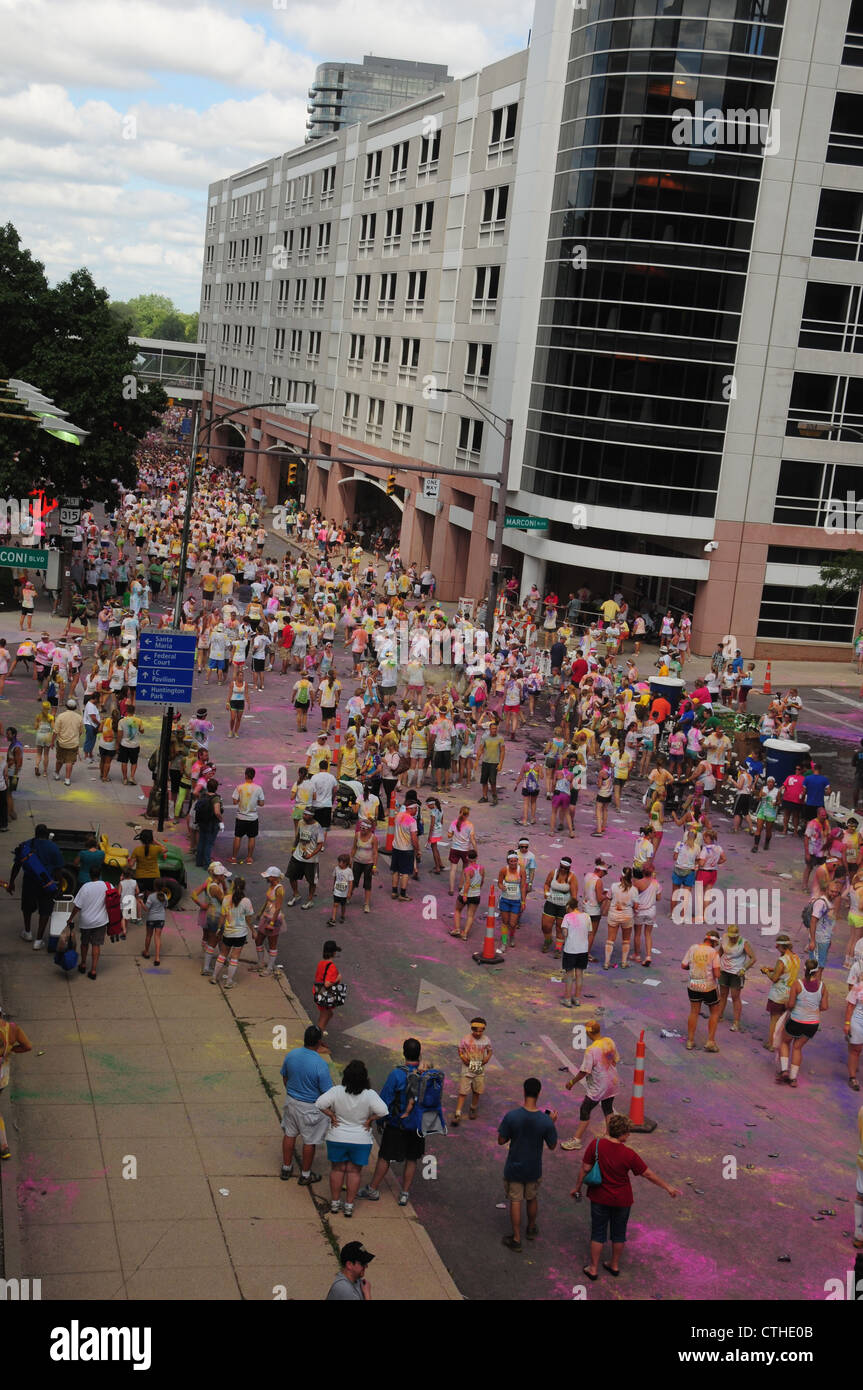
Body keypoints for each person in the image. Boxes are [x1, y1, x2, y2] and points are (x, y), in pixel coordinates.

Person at [571, 1112, 679, 1280]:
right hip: (622, 1200)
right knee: (619, 1233)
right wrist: (668, 1187)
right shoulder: (629, 1154)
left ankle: (593, 1268)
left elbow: (585, 1168)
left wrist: (577, 1188)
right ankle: (614, 1265)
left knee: (598, 1233)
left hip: (599, 1197)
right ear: (622, 1134)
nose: (629, 1135)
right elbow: (648, 1174)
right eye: (628, 1132)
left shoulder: (596, 1145)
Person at [359, 1037, 429, 1208]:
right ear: (419, 1054)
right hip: (418, 1125)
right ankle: (404, 1193)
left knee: (385, 1157)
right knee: (411, 1159)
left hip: (397, 1124)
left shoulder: (397, 1074)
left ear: (404, 1053)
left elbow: (385, 1100)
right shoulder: (426, 1075)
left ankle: (373, 1189)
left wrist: (380, 1120)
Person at [316, 1060, 389, 1217]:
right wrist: (370, 1120)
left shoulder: (336, 1091)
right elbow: (383, 1111)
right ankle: (349, 1205)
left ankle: (335, 1203)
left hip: (337, 1136)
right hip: (361, 1140)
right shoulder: (369, 1095)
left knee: (337, 1169)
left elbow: (320, 1103)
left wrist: (332, 1115)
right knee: (354, 1172)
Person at [497, 1077, 558, 1252]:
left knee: (515, 1200)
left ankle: (516, 1238)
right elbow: (553, 1145)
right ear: (538, 1094)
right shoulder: (545, 1121)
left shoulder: (512, 1116)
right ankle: (531, 1228)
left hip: (514, 1166)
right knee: (531, 1197)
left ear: (524, 1092)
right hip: (534, 1167)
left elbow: (501, 1140)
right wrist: (552, 1123)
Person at [280, 1024, 331, 1184]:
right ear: (319, 1042)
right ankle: (306, 1175)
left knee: (289, 1134)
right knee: (310, 1141)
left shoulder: (292, 1055)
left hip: (291, 1102)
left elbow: (285, 1076)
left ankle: (286, 1168)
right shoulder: (320, 1064)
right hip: (310, 1108)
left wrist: (291, 1091)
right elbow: (327, 1092)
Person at [561, 1020, 620, 1150]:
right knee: (607, 1108)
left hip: (599, 1086)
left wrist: (571, 1082)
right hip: (613, 1082)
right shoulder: (609, 1041)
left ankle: (576, 1140)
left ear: (588, 1033)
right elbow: (615, 1060)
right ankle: (609, 1136)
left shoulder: (591, 1050)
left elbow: (584, 1071)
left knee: (585, 1109)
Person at [8, 823, 64, 948]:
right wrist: (60, 886)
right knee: (45, 911)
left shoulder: (26, 845)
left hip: (30, 882)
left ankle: (27, 932)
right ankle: (38, 940)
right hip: (47, 883)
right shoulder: (54, 847)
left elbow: (17, 865)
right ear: (47, 834)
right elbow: (58, 870)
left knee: (27, 907)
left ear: (35, 833)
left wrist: (12, 882)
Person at [776, 958, 828, 1087]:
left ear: (804, 970)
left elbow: (791, 1004)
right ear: (816, 973)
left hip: (796, 1021)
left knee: (785, 1042)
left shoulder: (797, 984)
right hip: (812, 1024)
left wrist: (786, 1004)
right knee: (798, 1047)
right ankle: (793, 1079)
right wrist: (814, 1009)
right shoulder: (822, 986)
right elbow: (825, 1006)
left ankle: (784, 1070)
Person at [210, 877, 255, 990]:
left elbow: (222, 916)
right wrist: (253, 931)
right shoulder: (246, 901)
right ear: (244, 888)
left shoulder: (226, 899)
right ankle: (229, 981)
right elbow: (249, 919)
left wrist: (219, 928)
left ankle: (214, 977)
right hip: (240, 934)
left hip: (228, 933)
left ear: (233, 887)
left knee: (223, 954)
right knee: (235, 957)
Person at [0, 1006, 33, 1158]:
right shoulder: (12, 1029)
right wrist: (12, 1051)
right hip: (2, 1077)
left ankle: (4, 1146)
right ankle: (4, 1147)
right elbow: (28, 1046)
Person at [681, 930, 722, 1051]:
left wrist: (693, 967)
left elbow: (683, 965)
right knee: (714, 1012)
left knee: (694, 1011)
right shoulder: (714, 953)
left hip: (693, 985)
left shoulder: (693, 948)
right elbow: (717, 974)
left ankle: (690, 1041)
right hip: (709, 986)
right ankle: (710, 1041)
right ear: (715, 942)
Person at [760, 933, 802, 1050]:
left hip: (778, 994)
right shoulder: (796, 957)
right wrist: (773, 968)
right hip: (790, 994)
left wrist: (766, 971)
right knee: (783, 1020)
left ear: (781, 946)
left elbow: (774, 978)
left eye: (777, 946)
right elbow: (787, 971)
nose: (776, 947)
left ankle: (771, 1043)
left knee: (774, 1019)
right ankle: (781, 1042)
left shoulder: (782, 960)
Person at [68, 865, 110, 980]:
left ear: (90, 875)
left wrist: (70, 918)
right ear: (100, 875)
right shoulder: (107, 885)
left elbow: (77, 906)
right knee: (96, 945)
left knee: (84, 943)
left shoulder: (85, 887)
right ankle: (94, 970)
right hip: (101, 921)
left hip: (86, 922)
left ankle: (83, 963)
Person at [452, 1017, 493, 1125]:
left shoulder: (486, 1040)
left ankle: (473, 1108)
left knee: (477, 1090)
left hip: (479, 1067)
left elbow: (489, 1050)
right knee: (463, 1091)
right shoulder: (465, 1039)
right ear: (472, 1029)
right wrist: (462, 1057)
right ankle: (458, 1113)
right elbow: (460, 1049)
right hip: (467, 1067)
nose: (478, 1033)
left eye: (481, 1031)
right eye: (476, 1031)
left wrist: (487, 1058)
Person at [717, 925, 756, 1032]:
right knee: (723, 994)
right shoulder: (724, 938)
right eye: (731, 937)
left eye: (734, 937)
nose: (732, 939)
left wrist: (744, 969)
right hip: (724, 970)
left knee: (735, 997)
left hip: (736, 973)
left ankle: (736, 1022)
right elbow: (720, 953)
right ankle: (719, 1015)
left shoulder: (744, 942)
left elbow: (753, 958)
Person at [288, 807, 325, 910]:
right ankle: (296, 895)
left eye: (306, 815)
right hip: (297, 855)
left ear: (312, 815)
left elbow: (320, 844)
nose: (304, 816)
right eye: (303, 814)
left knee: (312, 881)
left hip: (311, 860)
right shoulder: (300, 822)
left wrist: (311, 855)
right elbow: (298, 836)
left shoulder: (317, 827)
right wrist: (294, 847)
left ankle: (310, 900)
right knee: (291, 876)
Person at [541, 858, 579, 955]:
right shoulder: (553, 873)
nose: (563, 870)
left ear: (569, 868)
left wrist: (573, 909)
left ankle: (558, 948)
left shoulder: (572, 877)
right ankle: (548, 940)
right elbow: (546, 884)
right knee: (546, 926)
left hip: (563, 906)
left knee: (560, 928)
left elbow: (574, 895)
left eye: (566, 868)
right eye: (561, 867)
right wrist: (546, 892)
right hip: (551, 903)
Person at [559, 900, 591, 1007]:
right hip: (583, 949)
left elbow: (565, 933)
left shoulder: (567, 917)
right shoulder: (587, 916)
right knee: (579, 974)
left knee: (569, 975)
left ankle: (567, 999)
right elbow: (589, 932)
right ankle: (577, 998)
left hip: (570, 949)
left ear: (568, 906)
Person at [231, 767, 265, 865]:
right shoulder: (258, 788)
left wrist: (240, 800)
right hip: (253, 817)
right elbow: (262, 803)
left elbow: (234, 801)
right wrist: (255, 802)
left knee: (238, 836)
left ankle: (234, 857)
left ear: (245, 775)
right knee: (252, 837)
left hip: (241, 817)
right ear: (253, 776)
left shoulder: (240, 787)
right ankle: (249, 857)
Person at [255, 867, 285, 975]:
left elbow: (278, 907)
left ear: (274, 877)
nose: (267, 878)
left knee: (272, 943)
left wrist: (272, 923)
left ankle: (270, 968)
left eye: (268, 876)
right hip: (266, 916)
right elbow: (267, 900)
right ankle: (260, 963)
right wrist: (260, 912)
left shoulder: (279, 889)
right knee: (258, 940)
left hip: (274, 919)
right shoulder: (271, 886)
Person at [313, 939, 345, 1036]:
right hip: (326, 994)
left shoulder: (321, 963)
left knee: (328, 1014)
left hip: (318, 992)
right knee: (324, 1017)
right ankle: (317, 1040)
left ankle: (320, 1033)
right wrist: (337, 979)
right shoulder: (331, 966)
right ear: (334, 953)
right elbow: (327, 984)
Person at [52, 697, 84, 785]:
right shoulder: (79, 717)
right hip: (73, 744)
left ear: (66, 706)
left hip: (62, 742)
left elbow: (55, 731)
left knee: (59, 759)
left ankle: (57, 774)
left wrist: (52, 742)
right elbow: (80, 732)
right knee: (69, 762)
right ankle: (67, 779)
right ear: (75, 707)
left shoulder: (61, 716)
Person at [844, 972, 863, 1093]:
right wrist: (847, 1024)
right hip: (857, 1021)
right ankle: (852, 1077)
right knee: (856, 1049)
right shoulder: (858, 987)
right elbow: (850, 1006)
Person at [141, 882, 168, 966]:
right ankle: (157, 958)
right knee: (158, 937)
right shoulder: (165, 896)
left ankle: (146, 952)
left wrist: (141, 902)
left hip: (151, 919)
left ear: (154, 887)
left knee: (149, 935)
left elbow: (146, 909)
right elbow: (165, 907)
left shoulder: (151, 896)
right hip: (161, 919)